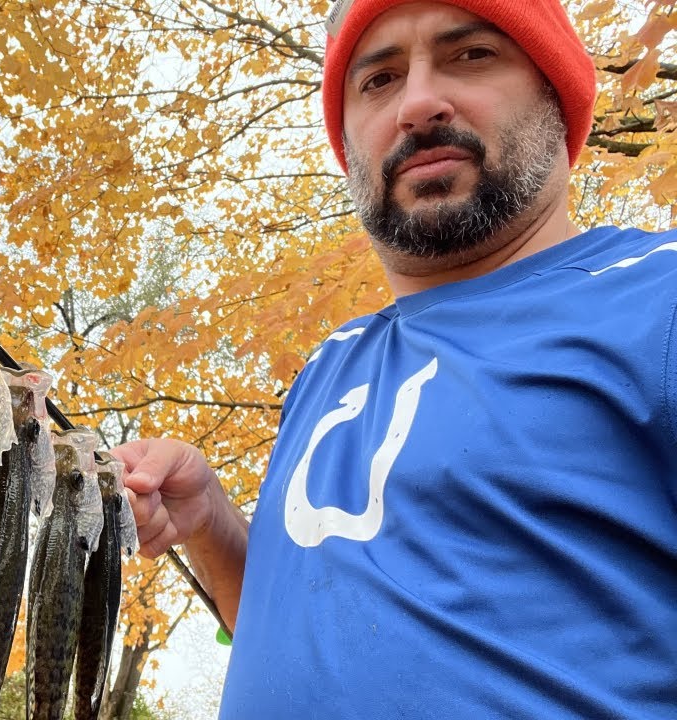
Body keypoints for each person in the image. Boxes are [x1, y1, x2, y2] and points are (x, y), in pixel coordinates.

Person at [112, 0, 677, 716]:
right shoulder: (329, 368)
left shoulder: (657, 295)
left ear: (556, 96)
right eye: (379, 80)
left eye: (470, 55)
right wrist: (212, 525)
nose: (417, 104)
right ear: (348, 141)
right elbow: (297, 628)